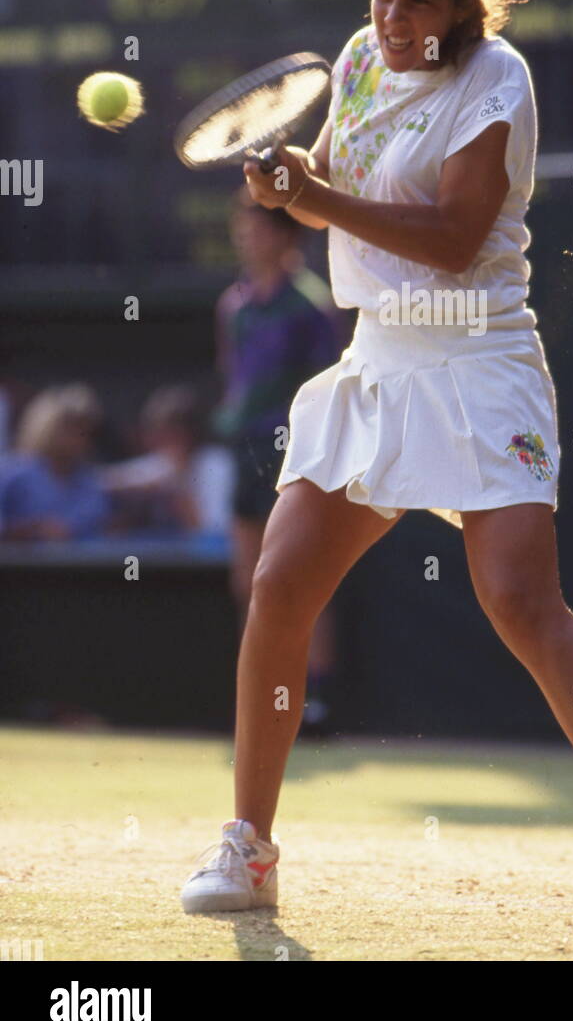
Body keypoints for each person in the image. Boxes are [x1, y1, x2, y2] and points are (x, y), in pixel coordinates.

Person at [180, 0, 573, 921]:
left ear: (465, 7)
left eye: (415, 1)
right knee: (280, 586)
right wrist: (294, 173)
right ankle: (249, 848)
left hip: (479, 361)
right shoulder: (359, 57)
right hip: (375, 362)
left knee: (520, 602)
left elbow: (454, 236)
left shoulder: (496, 77)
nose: (390, 17)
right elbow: (334, 173)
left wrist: (311, 201)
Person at [213, 193, 343, 730]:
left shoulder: (313, 305)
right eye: (242, 228)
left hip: (296, 457)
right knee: (249, 581)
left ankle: (315, 700)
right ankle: (261, 696)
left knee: (302, 579)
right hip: (245, 452)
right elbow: (233, 378)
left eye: (258, 229)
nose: (247, 238)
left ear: (287, 237)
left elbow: (326, 387)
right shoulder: (233, 306)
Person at [99, 384, 234, 541]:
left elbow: (214, 532)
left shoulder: (217, 463)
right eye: (153, 431)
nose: (153, 439)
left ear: (187, 432)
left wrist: (178, 488)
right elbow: (101, 481)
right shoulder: (160, 463)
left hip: (211, 558)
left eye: (165, 432)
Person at [0, 384, 108, 541]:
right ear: (47, 427)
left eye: (86, 431)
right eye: (72, 429)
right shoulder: (12, 473)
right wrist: (29, 531)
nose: (79, 439)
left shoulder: (88, 480)